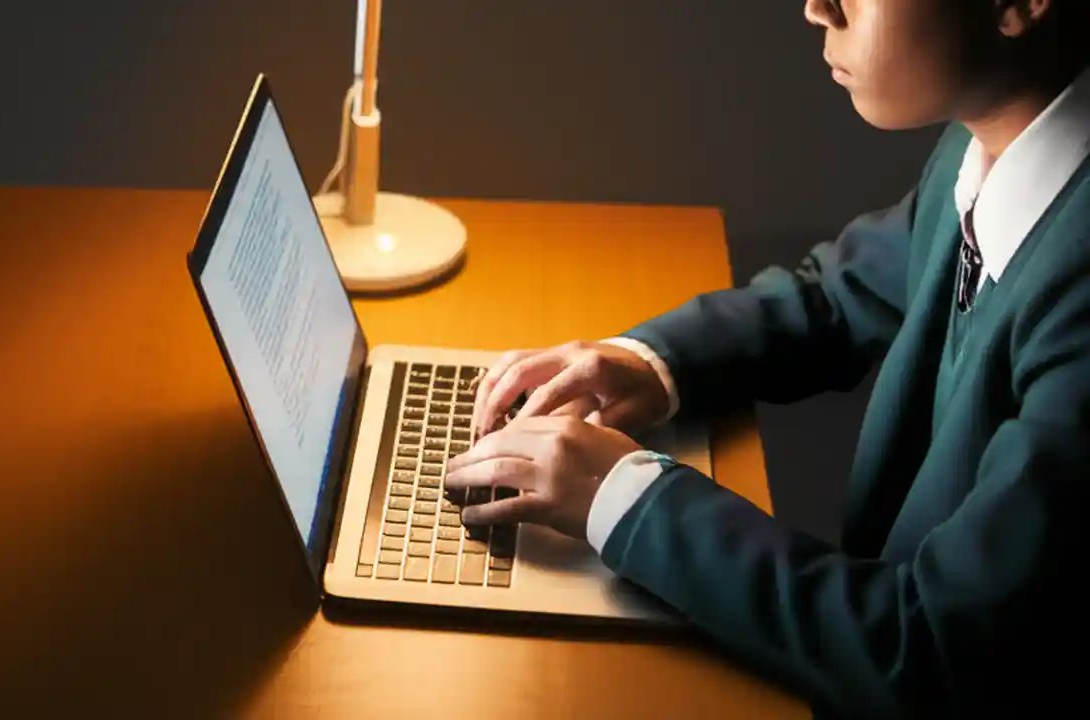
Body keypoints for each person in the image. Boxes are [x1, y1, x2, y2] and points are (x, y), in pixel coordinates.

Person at [444, 1, 1090, 717]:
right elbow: (846, 293)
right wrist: (651, 362)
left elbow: (930, 648)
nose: (818, 6)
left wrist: (620, 496)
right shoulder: (1002, 144)